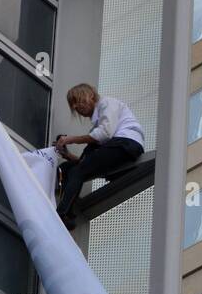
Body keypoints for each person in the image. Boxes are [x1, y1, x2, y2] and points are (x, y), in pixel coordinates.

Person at [55, 84, 145, 227]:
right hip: (118, 147)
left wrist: (70, 139)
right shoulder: (97, 124)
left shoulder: (107, 103)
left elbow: (104, 134)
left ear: (90, 95)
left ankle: (62, 213)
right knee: (68, 167)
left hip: (126, 143)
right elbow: (87, 161)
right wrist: (68, 155)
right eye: (74, 105)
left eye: (79, 101)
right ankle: (65, 209)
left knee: (78, 171)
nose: (78, 107)